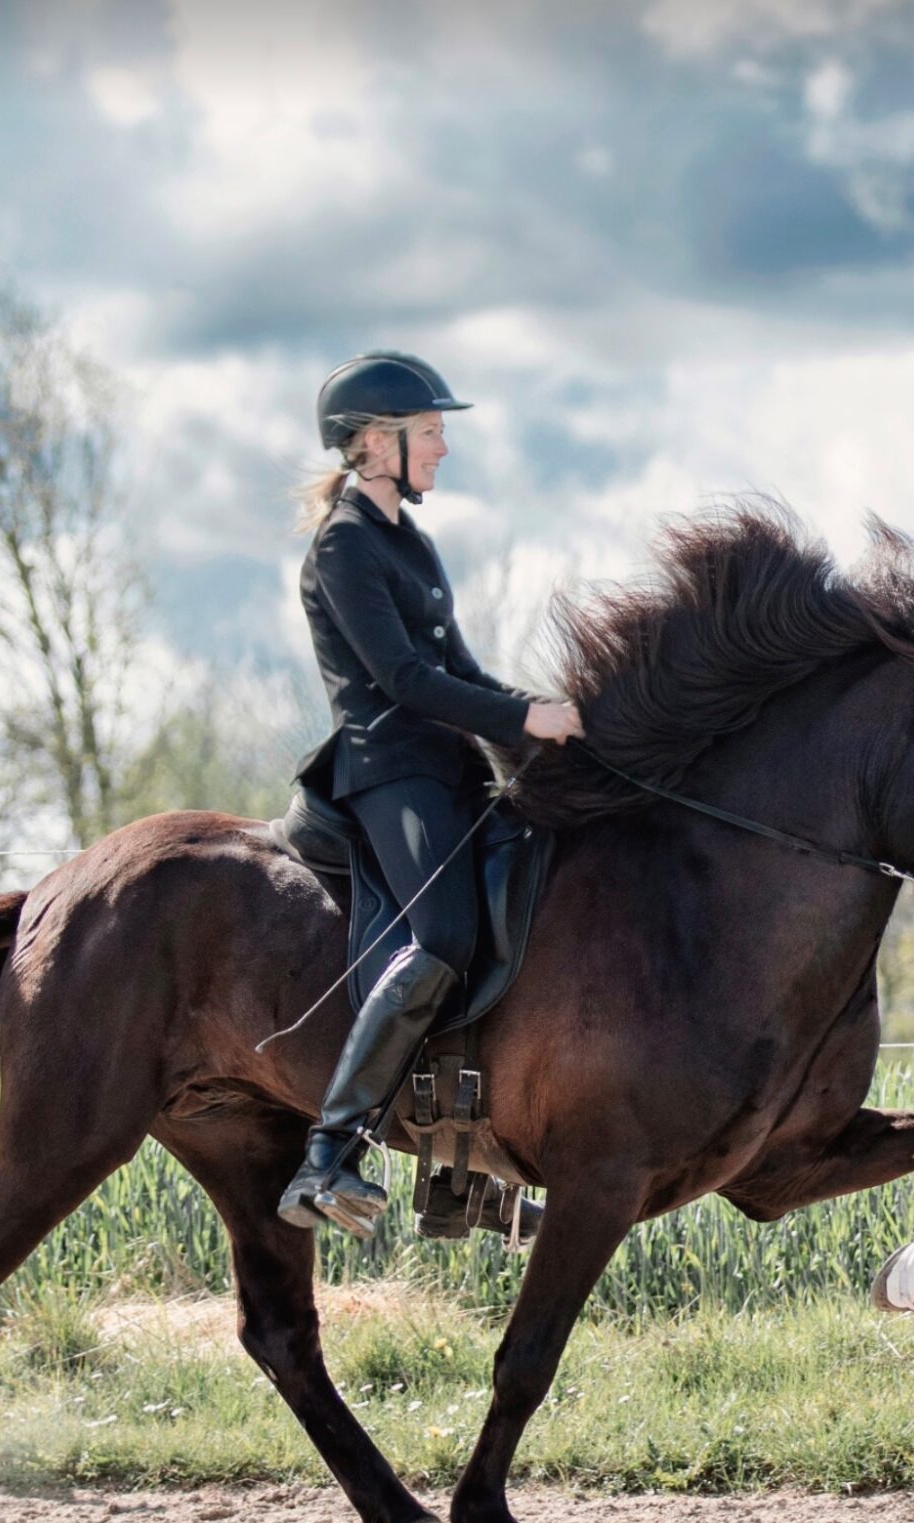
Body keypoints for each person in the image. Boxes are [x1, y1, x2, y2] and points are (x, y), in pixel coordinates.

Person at [278, 350, 583, 1236]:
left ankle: (465, 1173)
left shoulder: (410, 540)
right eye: (431, 431)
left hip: (451, 767)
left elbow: (463, 671)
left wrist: (546, 715)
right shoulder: (342, 546)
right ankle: (329, 1154)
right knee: (443, 935)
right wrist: (522, 720)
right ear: (376, 443)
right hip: (389, 771)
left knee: (519, 910)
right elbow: (405, 679)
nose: (444, 447)